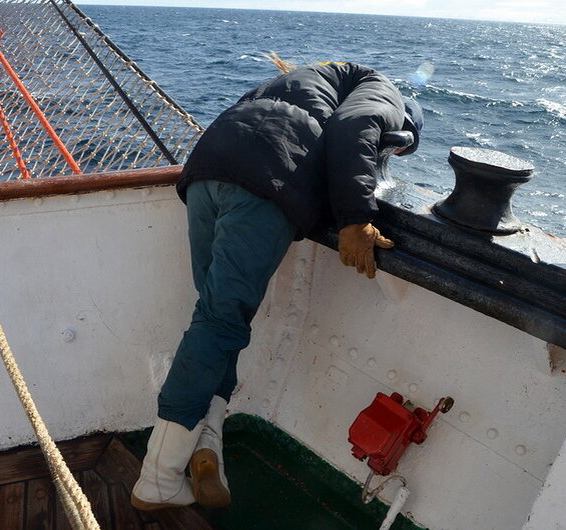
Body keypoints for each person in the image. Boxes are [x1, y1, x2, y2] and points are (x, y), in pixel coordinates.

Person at [130, 58, 424, 511]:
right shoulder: (383, 90)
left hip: (208, 169)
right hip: (264, 182)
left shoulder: (308, 76)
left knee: (213, 319)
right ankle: (158, 477)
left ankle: (207, 442)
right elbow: (356, 125)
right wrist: (355, 218)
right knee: (220, 323)